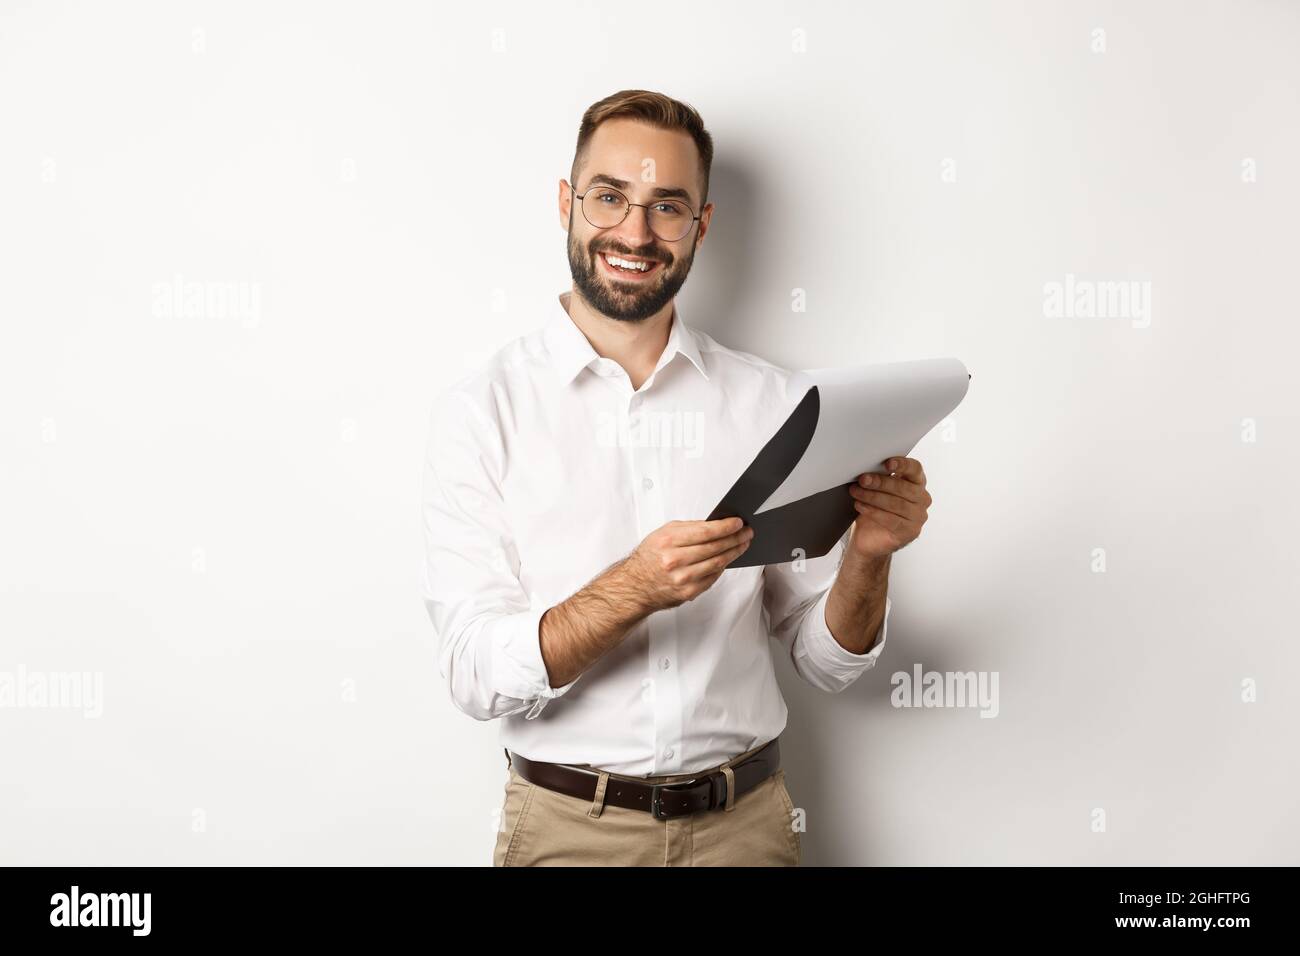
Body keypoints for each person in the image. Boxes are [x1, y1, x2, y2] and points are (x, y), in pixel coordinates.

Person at [421, 89, 933, 866]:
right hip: (569, 834)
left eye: (667, 207)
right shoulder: (484, 411)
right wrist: (633, 587)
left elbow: (826, 663)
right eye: (609, 197)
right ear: (567, 203)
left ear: (702, 225)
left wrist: (871, 553)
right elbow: (475, 674)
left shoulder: (774, 403)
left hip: (747, 831)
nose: (635, 231)